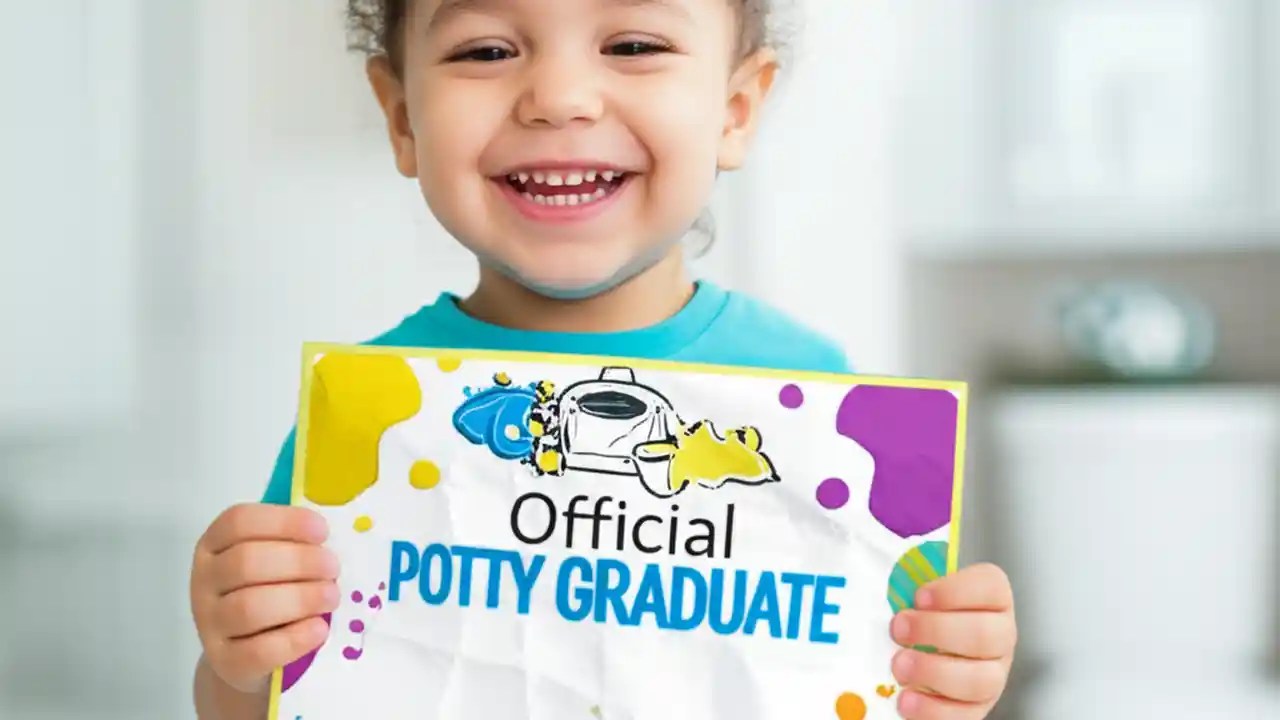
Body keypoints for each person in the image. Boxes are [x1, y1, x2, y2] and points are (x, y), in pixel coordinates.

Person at [188, 1, 1017, 717]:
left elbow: (873, 674)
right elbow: (272, 696)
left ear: (734, 110)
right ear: (403, 117)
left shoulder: (814, 401)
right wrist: (240, 659)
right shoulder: (369, 423)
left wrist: (945, 669)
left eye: (632, 45)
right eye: (486, 51)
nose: (558, 99)